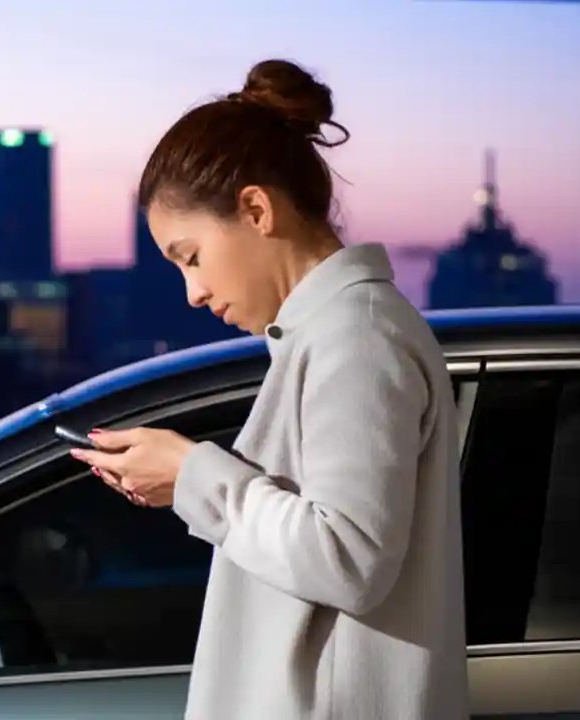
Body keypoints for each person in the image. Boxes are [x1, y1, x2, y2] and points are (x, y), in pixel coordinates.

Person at [70, 58, 468, 719]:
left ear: (255, 208)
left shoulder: (356, 335)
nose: (193, 293)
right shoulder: (327, 333)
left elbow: (348, 560)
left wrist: (193, 474)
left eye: (190, 257)